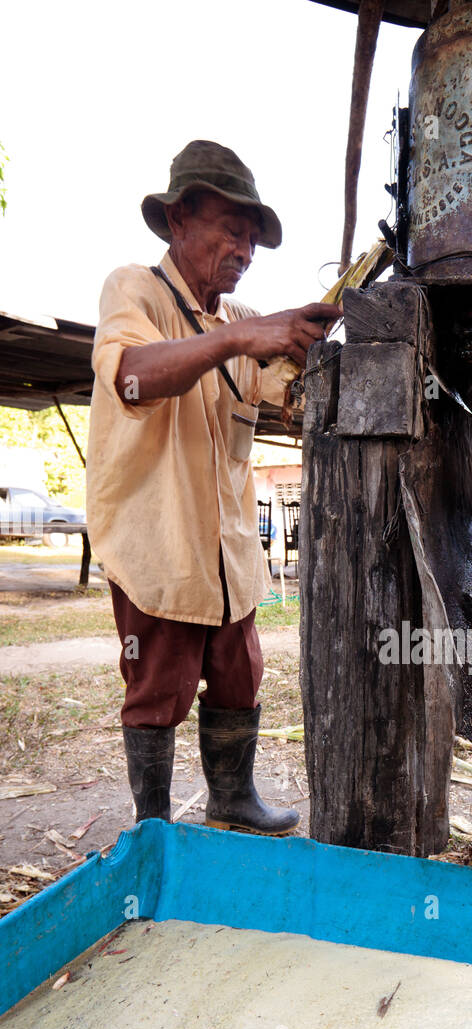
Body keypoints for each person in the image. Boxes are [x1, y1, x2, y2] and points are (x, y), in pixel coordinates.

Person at [86, 139, 340, 834]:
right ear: (179, 220)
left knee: (237, 675)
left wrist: (305, 346)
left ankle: (233, 797)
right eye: (233, 229)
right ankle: (156, 824)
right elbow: (133, 376)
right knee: (158, 686)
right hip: (157, 544)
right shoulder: (135, 290)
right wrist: (244, 337)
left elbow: (278, 392)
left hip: (226, 550)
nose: (244, 250)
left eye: (252, 240)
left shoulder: (235, 319)